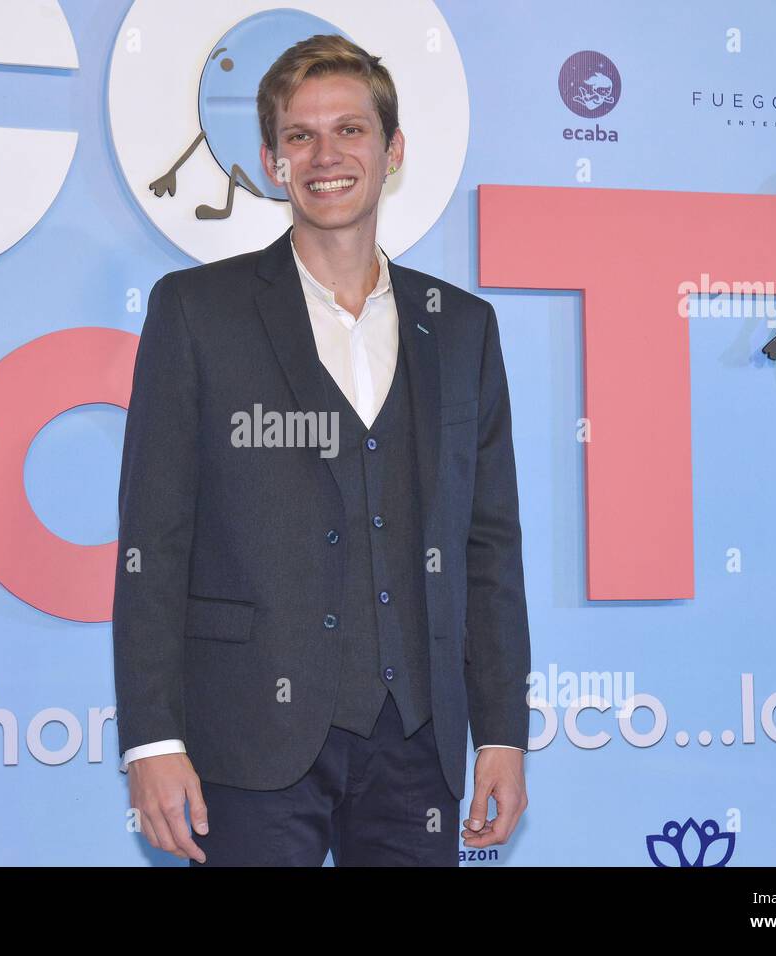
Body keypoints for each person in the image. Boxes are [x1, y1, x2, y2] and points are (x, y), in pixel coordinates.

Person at [112, 33, 531, 866]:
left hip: (418, 745)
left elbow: (489, 547)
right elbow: (152, 543)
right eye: (300, 136)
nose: (325, 155)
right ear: (271, 162)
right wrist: (153, 741)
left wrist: (503, 732)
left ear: (393, 150)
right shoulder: (198, 312)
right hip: (249, 740)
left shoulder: (463, 328)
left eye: (350, 130)